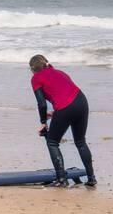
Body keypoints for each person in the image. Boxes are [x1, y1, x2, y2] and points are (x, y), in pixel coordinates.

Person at [29, 54, 96, 188]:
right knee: (80, 142)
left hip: (66, 107)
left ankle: (61, 179)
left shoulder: (36, 78)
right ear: (46, 63)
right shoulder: (60, 72)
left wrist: (43, 121)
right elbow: (66, 94)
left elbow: (42, 104)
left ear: (32, 69)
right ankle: (91, 178)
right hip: (82, 102)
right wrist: (55, 113)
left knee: (52, 142)